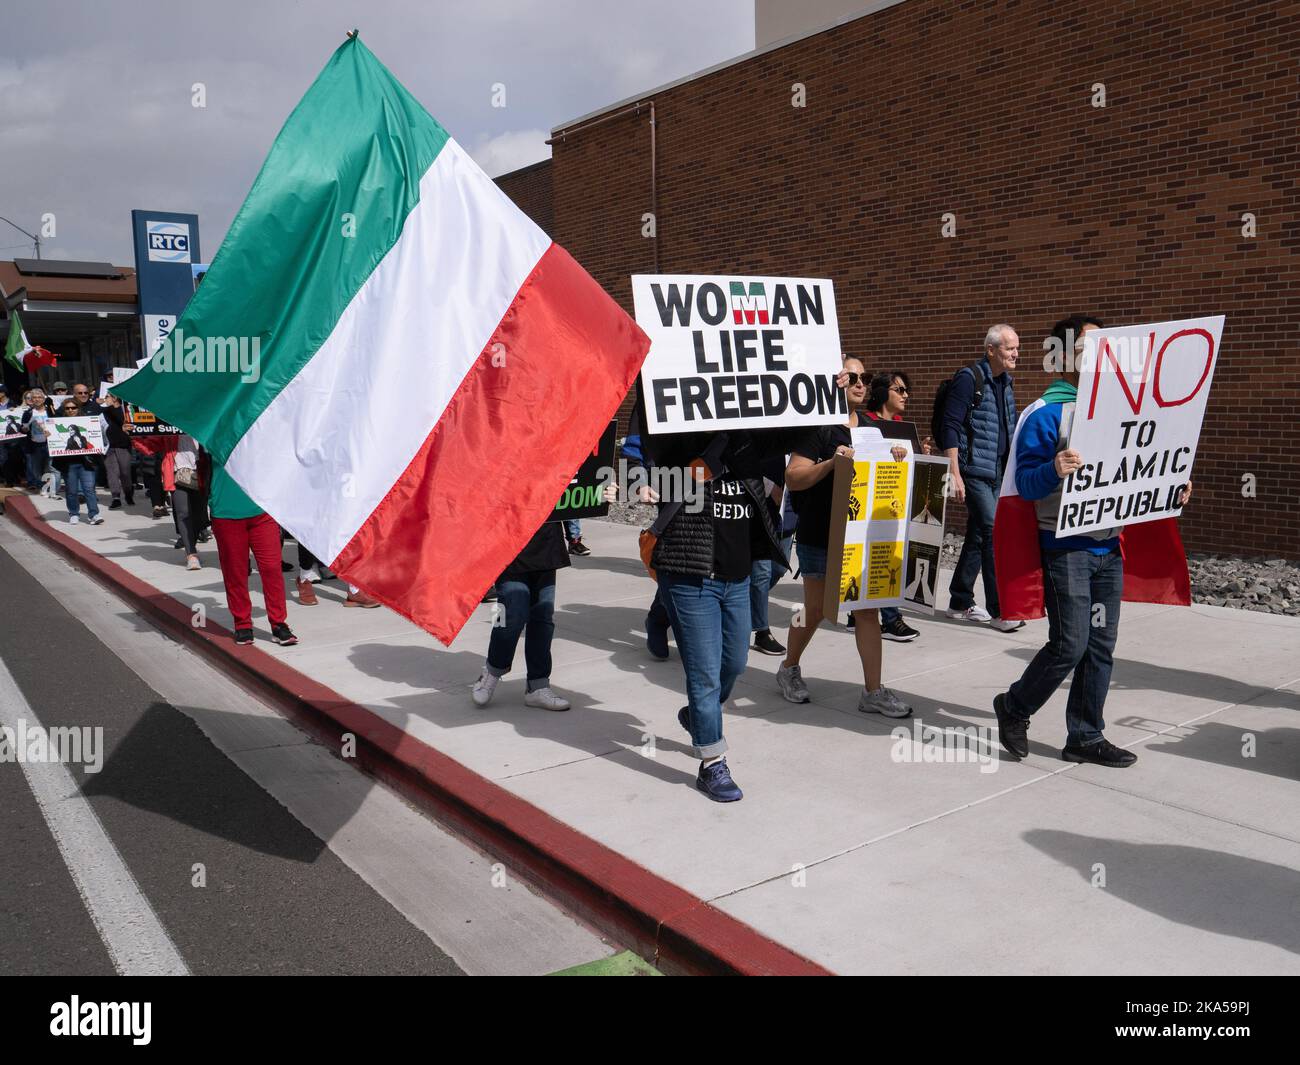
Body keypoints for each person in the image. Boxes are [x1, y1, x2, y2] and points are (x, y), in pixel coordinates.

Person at [993, 315, 1192, 768]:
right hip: (1066, 548)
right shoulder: (1045, 413)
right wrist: (1054, 469)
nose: (1099, 355)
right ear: (1062, 355)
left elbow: (1139, 471)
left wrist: (1171, 487)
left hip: (1109, 548)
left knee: (1100, 646)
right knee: (1070, 644)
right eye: (1087, 346)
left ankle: (1084, 735)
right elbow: (1023, 485)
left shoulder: (1124, 410)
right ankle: (1015, 706)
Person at [775, 357, 913, 719]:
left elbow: (884, 479)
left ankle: (873, 691)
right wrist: (831, 463)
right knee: (816, 609)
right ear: (834, 381)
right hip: (820, 533)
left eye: (864, 377)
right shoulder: (817, 428)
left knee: (867, 610)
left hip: (860, 537)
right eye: (851, 376)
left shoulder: (872, 426)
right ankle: (789, 667)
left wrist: (897, 458)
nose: (859, 382)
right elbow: (793, 477)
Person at [472, 484, 617, 712]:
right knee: (511, 615)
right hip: (508, 540)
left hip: (546, 542)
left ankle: (537, 686)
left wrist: (599, 493)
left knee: (542, 618)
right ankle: (493, 670)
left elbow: (578, 481)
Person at [940, 325, 1024, 632]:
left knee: (977, 534)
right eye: (1010, 348)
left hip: (998, 471)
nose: (1016, 353)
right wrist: (954, 473)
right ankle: (1001, 610)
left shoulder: (1005, 383)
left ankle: (959, 600)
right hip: (973, 469)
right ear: (991, 350)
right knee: (993, 532)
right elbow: (951, 425)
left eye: (1017, 348)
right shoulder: (969, 378)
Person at [863, 370, 929, 643]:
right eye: (898, 390)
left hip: (895, 504)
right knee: (879, 557)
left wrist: (920, 455)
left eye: (906, 390)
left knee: (886, 557)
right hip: (870, 504)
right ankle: (890, 620)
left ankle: (863, 615)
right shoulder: (866, 423)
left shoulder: (902, 425)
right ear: (881, 393)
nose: (906, 395)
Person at [208, 461, 298, 646]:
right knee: (235, 572)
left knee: (272, 569)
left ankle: (279, 623)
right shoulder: (210, 432)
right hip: (226, 512)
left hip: (262, 511)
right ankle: (242, 624)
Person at [51, 398, 104, 526]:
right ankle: (74, 514)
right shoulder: (61, 430)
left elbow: (93, 442)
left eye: (73, 408)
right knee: (72, 491)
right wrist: (49, 435)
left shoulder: (86, 428)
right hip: (69, 464)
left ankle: (94, 514)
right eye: (67, 408)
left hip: (86, 463)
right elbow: (61, 448)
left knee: (89, 489)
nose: (70, 410)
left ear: (78, 409)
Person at [166, 435, 204, 570]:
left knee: (201, 517)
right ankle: (191, 554)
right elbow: (149, 445)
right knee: (183, 513)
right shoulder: (168, 423)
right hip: (178, 473)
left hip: (202, 470)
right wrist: (134, 432)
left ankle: (193, 542)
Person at [99, 393, 135, 508]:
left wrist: (114, 407)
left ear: (114, 398)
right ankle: (116, 497)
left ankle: (128, 493)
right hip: (109, 447)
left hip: (123, 446)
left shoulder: (125, 411)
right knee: (112, 473)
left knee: (125, 473)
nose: (105, 399)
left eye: (107, 397)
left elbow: (121, 420)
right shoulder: (104, 412)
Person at [19, 388, 53, 491]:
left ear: (43, 399)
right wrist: (24, 429)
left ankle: (49, 486)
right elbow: (22, 428)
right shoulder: (28, 413)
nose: (37, 399)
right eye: (34, 397)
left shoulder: (50, 411)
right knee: (36, 468)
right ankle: (40, 485)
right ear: (31, 400)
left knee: (49, 466)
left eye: (39, 397)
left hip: (49, 443)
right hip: (34, 444)